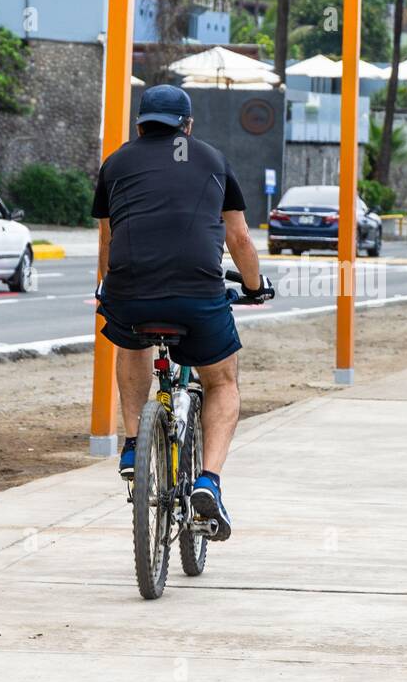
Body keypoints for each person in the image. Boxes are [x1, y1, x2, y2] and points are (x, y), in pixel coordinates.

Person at [92, 85, 273, 542]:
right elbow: (240, 240)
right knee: (223, 381)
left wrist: (104, 288)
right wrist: (255, 287)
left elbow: (107, 242)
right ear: (187, 126)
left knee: (128, 338)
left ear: (140, 124)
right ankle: (208, 480)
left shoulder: (115, 164)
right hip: (198, 293)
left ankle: (134, 445)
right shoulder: (213, 159)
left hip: (131, 290)